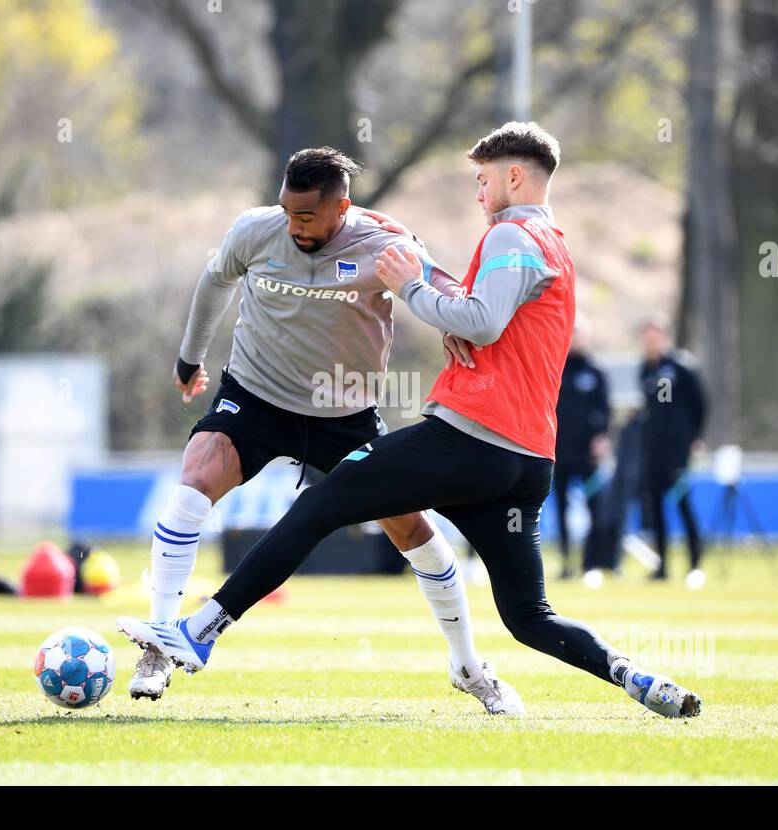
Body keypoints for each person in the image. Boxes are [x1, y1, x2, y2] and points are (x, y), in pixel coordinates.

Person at [118, 122, 702, 720]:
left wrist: (413, 287)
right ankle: (634, 677)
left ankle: (200, 630)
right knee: (530, 616)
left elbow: (479, 319)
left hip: (465, 433)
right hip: (526, 460)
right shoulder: (556, 243)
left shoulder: (508, 236)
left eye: (482, 179)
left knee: (324, 506)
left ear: (514, 177)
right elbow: (493, 323)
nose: (478, 192)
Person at [123, 147, 522, 715]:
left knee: (411, 529)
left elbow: (451, 295)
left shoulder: (384, 243)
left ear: (342, 207)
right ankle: (160, 642)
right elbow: (215, 283)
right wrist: (190, 357)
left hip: (345, 415)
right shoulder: (255, 232)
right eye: (287, 212)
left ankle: (468, 666)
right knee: (198, 471)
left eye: (306, 217)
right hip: (256, 397)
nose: (294, 226)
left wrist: (447, 327)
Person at [637, 313, 707, 586]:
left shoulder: (682, 367)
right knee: (654, 507)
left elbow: (700, 404)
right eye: (647, 339)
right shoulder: (645, 369)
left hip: (677, 450)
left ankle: (695, 564)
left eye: (655, 338)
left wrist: (694, 437)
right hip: (652, 449)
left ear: (665, 338)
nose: (651, 344)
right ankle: (662, 566)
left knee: (682, 503)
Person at [553, 318, 610, 580]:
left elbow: (604, 410)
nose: (575, 339)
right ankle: (566, 563)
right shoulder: (554, 368)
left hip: (588, 455)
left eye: (579, 334)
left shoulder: (595, 372)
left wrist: (601, 437)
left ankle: (592, 564)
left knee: (594, 508)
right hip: (558, 452)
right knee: (561, 509)